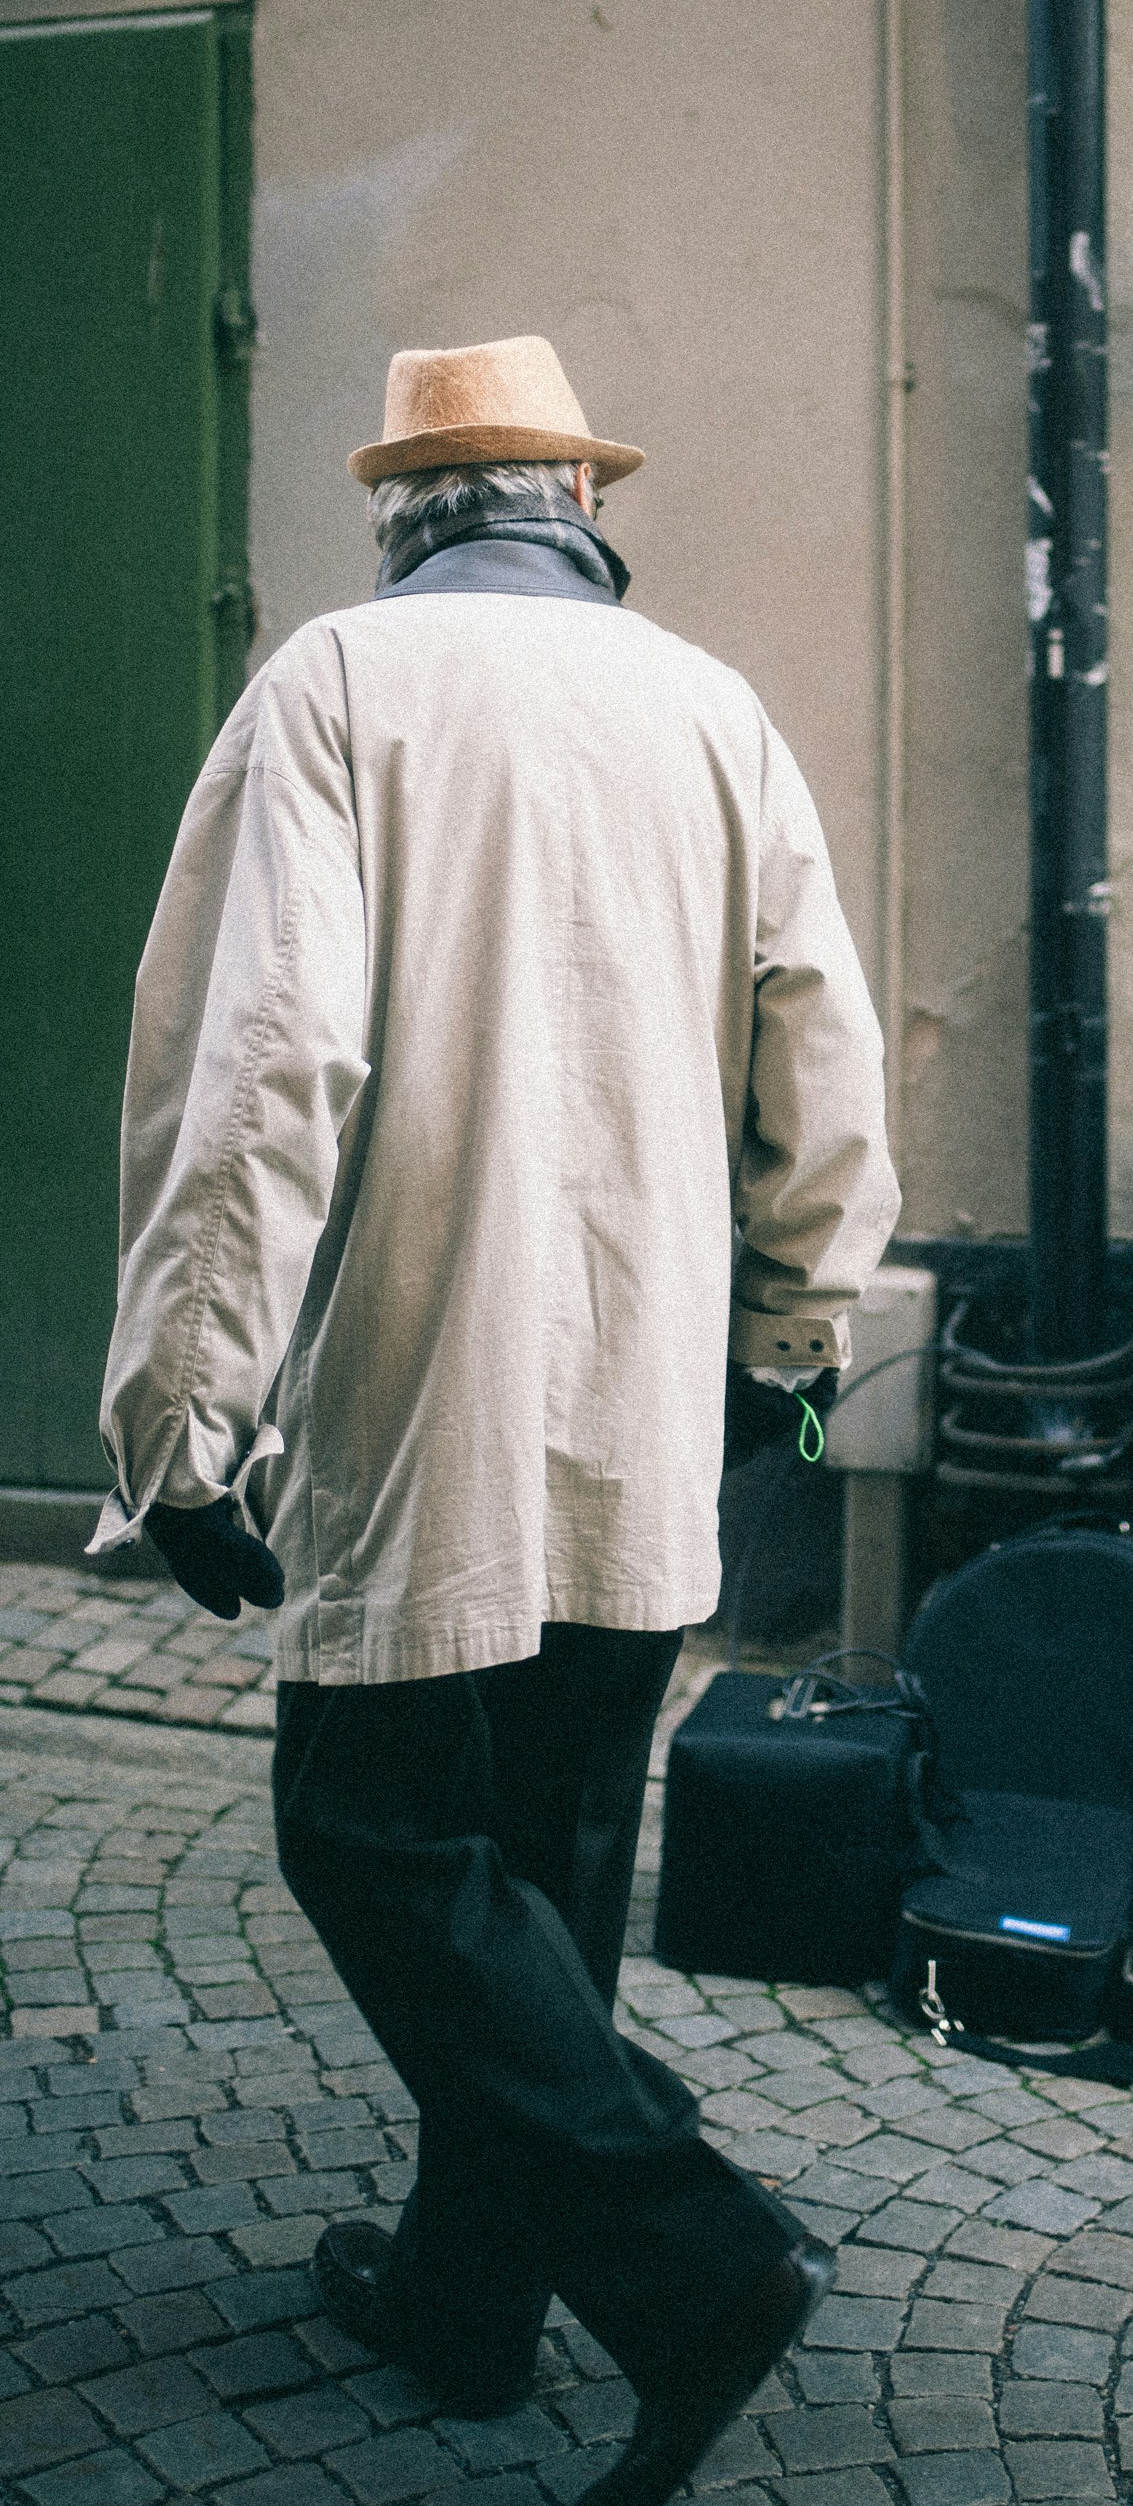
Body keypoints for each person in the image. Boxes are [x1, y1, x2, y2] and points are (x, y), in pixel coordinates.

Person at [90, 335, 901, 2504]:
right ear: (572, 503)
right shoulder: (711, 704)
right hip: (644, 1384)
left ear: (408, 513)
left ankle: (697, 2249)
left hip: (420, 1378)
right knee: (540, 1866)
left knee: (365, 1829)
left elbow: (262, 1077)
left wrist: (183, 1417)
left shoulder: (340, 687)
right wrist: (798, 1342)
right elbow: (819, 1066)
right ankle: (468, 2299)